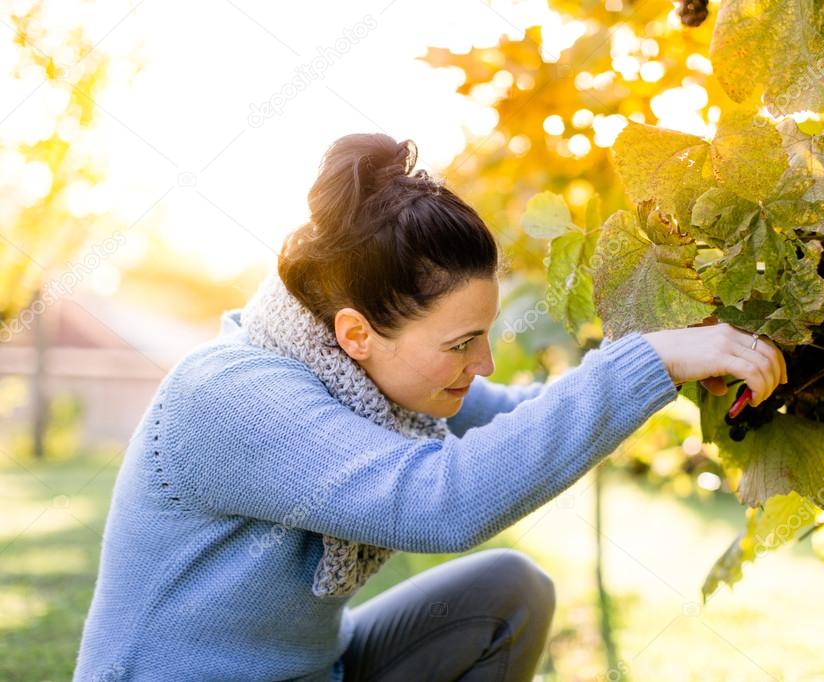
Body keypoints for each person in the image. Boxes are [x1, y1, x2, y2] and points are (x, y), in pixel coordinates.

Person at [72, 133, 785, 682]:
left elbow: (522, 418)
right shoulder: (230, 396)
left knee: (509, 592)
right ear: (355, 333)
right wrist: (650, 360)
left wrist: (684, 370)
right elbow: (437, 502)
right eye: (460, 344)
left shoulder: (370, 378)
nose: (480, 364)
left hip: (317, 671)